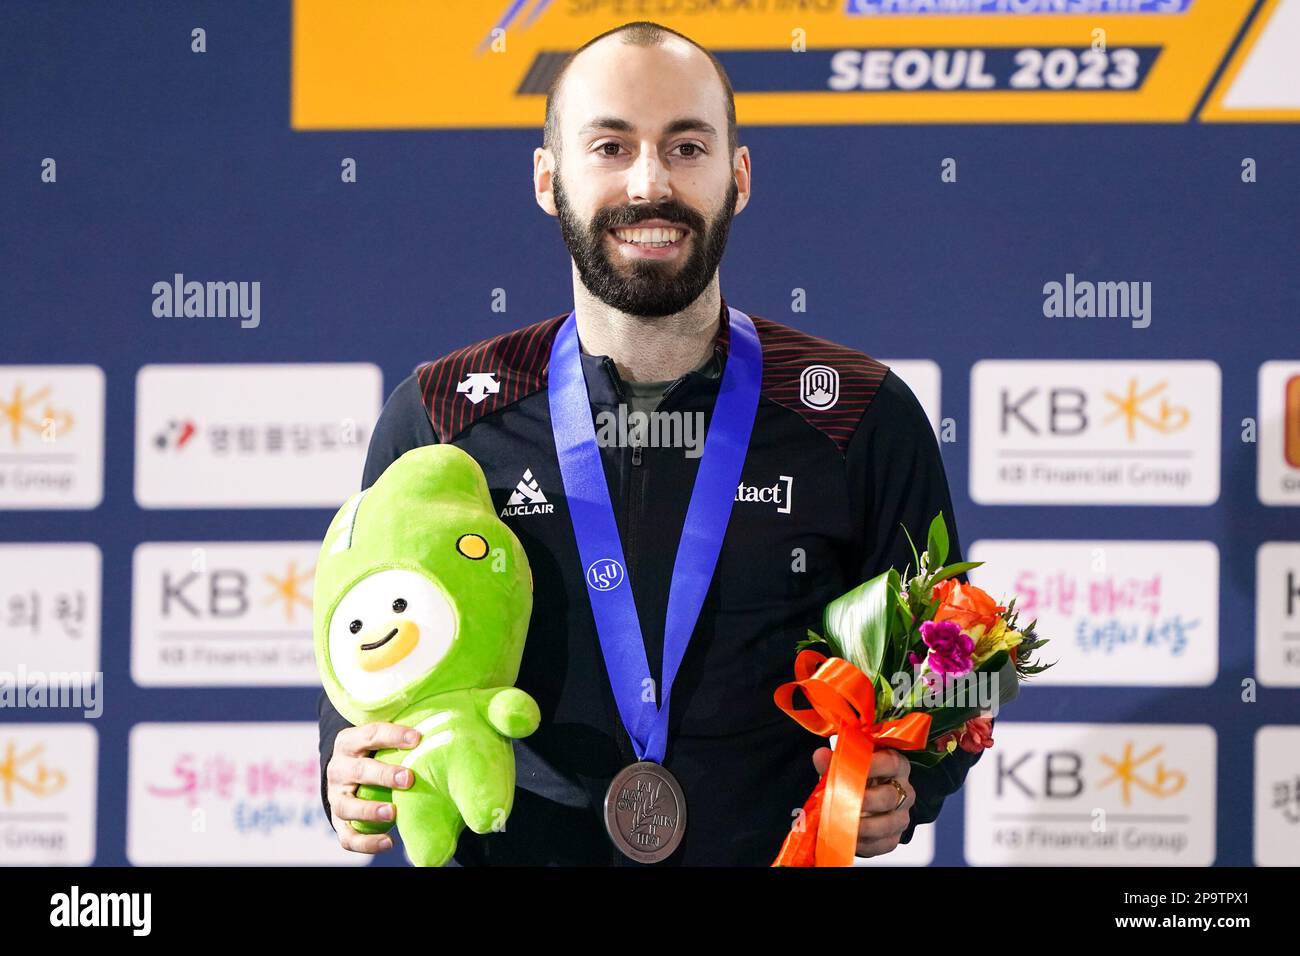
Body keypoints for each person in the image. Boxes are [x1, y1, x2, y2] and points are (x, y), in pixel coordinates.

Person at [318, 19, 986, 866]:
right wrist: (348, 776)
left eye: (686, 147)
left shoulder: (859, 414)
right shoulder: (443, 416)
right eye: (610, 146)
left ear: (737, 177)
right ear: (547, 177)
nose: (649, 183)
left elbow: (957, 667)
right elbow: (358, 675)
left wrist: (907, 785)